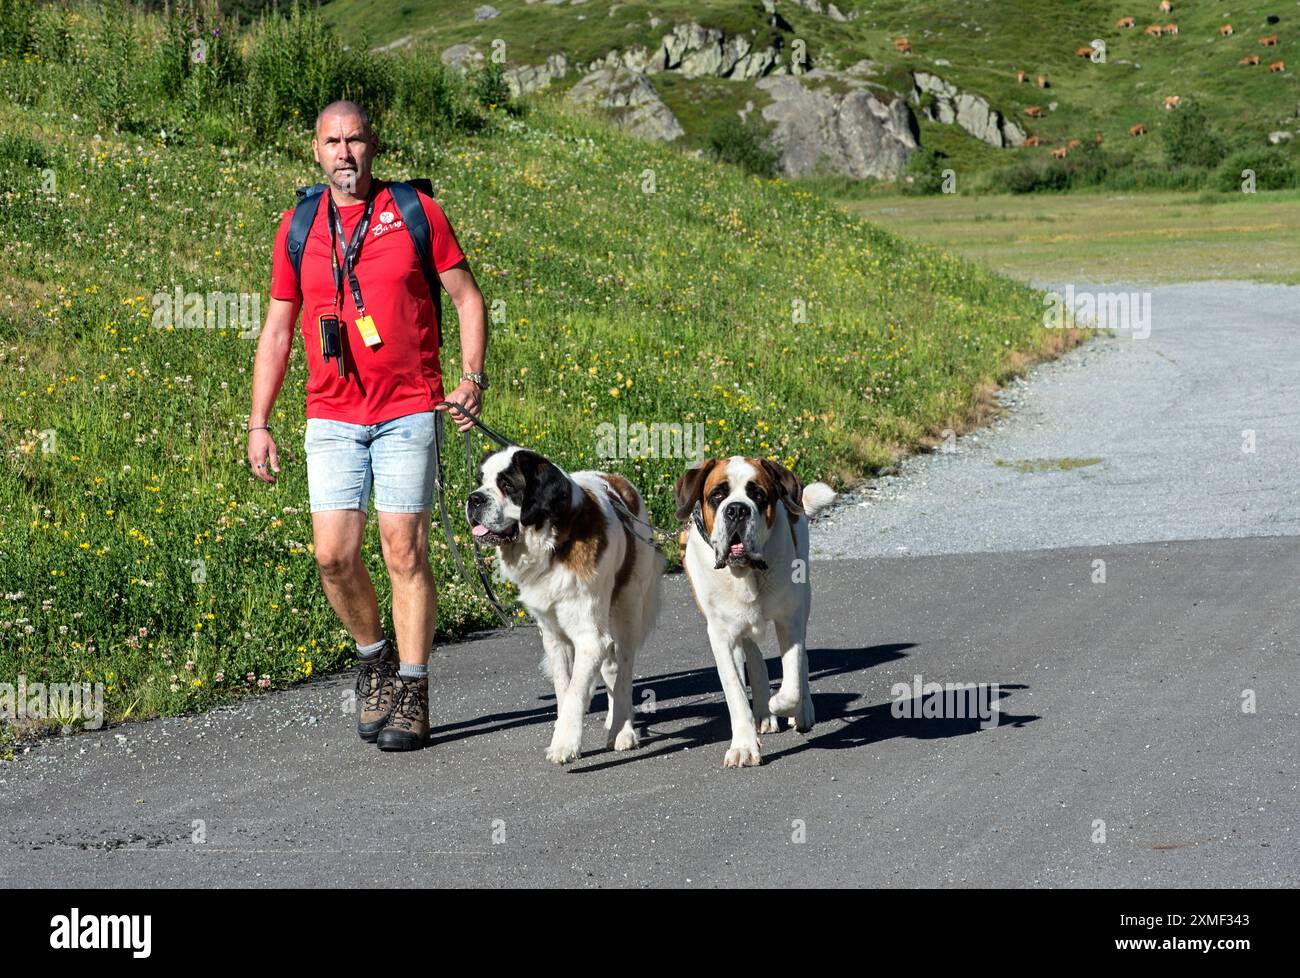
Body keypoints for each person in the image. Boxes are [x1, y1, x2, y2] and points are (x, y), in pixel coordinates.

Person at [246, 100, 489, 751]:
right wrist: (258, 421)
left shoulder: (413, 212)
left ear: (372, 146)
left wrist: (471, 380)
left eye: (355, 140)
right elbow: (276, 331)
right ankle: (373, 659)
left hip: (411, 407)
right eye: (333, 142)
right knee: (332, 556)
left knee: (402, 548)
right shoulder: (298, 226)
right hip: (331, 414)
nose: (345, 153)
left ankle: (412, 689)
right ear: (316, 151)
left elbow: (466, 298)